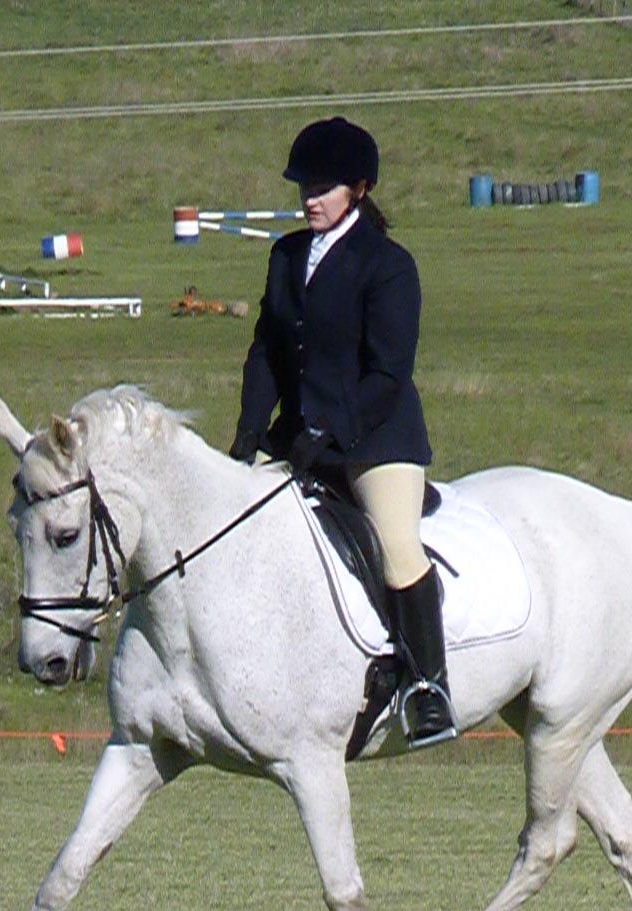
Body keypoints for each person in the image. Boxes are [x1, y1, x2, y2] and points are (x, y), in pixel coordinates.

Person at [230, 116, 455, 748]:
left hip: (375, 438)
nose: (310, 198)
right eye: (304, 186)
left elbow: (388, 374)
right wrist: (248, 436)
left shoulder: (388, 266)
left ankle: (428, 687)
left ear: (358, 189)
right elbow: (267, 351)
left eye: (323, 188)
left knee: (396, 546)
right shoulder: (285, 256)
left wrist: (328, 432)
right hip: (299, 437)